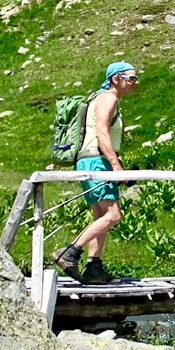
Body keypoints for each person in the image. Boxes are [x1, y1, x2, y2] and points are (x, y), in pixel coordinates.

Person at [53, 61, 138, 284]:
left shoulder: (100, 97)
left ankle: (94, 267)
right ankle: (69, 253)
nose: (135, 82)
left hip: (90, 161)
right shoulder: (108, 98)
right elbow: (101, 131)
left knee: (100, 216)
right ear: (115, 79)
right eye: (131, 78)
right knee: (113, 215)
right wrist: (115, 165)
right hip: (97, 163)